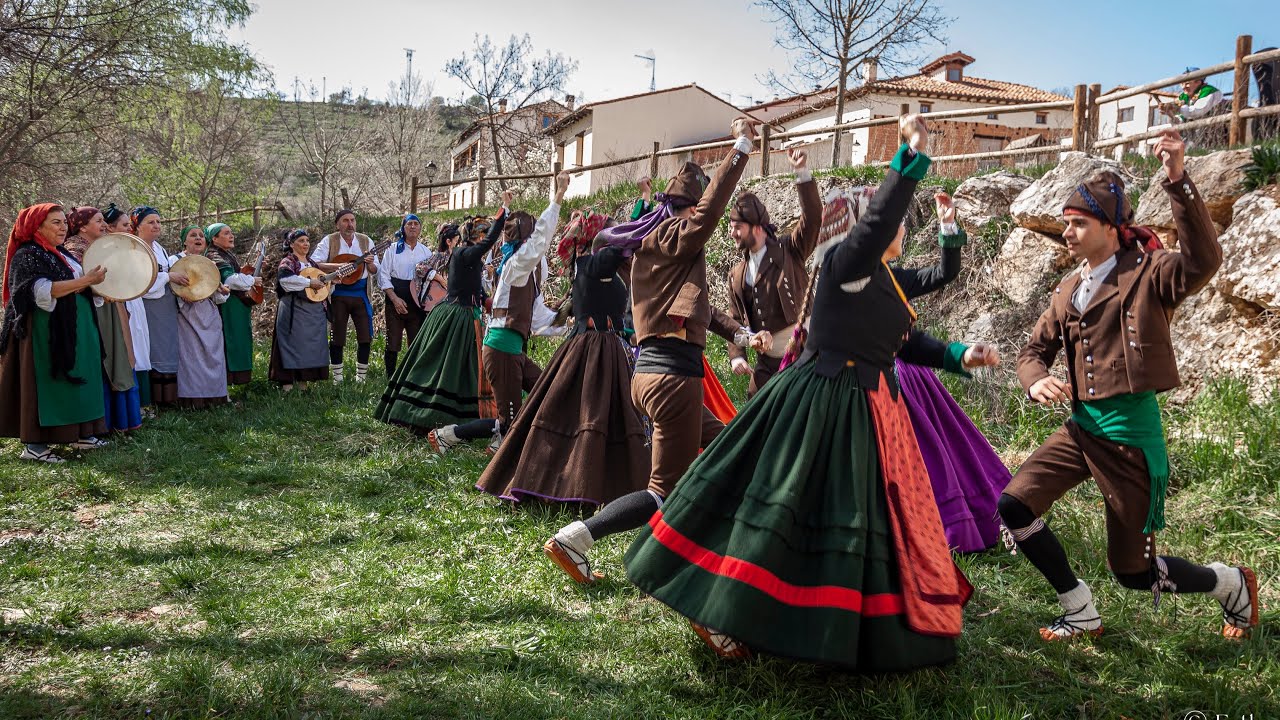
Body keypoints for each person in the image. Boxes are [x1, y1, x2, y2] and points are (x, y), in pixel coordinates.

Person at [623, 116, 995, 670]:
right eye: (887, 221)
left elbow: (907, 338)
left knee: (852, 519)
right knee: (786, 507)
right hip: (821, 401)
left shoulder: (891, 282)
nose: (896, 230)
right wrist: (907, 162)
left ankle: (835, 623)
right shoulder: (843, 264)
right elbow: (872, 227)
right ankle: (726, 606)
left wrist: (957, 354)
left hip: (871, 409)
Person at [999, 128, 1259, 641]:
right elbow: (1033, 351)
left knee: (1134, 574)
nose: (1067, 233)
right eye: (1066, 224)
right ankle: (1079, 608)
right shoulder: (1068, 288)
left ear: (1112, 227)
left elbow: (1205, 261)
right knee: (1013, 506)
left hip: (1130, 442)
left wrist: (1178, 181)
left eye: (1078, 224)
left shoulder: (1152, 273)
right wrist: (1035, 381)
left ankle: (1230, 584)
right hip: (1080, 431)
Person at [543, 118, 760, 584]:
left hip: (652, 376)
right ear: (689, 208)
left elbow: (694, 305)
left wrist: (740, 335)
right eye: (697, 209)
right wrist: (740, 146)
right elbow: (713, 206)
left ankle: (713, 543)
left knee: (726, 439)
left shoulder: (648, 251)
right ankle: (579, 537)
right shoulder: (676, 237)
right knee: (663, 490)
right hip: (674, 381)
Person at [883, 191, 1012, 553]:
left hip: (911, 377)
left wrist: (947, 225)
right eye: (898, 224)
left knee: (939, 452)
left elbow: (944, 273)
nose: (904, 228)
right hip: (871, 384)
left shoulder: (895, 278)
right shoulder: (851, 280)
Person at [427, 174, 569, 454]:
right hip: (501, 350)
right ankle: (448, 436)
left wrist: (566, 321)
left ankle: (495, 440)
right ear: (526, 241)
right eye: (533, 238)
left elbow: (538, 317)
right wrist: (558, 196)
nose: (540, 246)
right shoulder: (516, 266)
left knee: (545, 390)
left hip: (512, 350)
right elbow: (541, 240)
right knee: (510, 421)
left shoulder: (527, 274)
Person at [375, 197, 509, 431]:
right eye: (482, 235)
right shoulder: (464, 253)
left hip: (466, 312)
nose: (484, 239)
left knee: (463, 364)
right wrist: (503, 212)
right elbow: (489, 242)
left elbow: (475, 286)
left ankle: (470, 412)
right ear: (475, 237)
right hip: (456, 315)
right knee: (446, 364)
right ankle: (430, 414)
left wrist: (489, 304)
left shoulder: (467, 256)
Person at [0, 204, 110, 463]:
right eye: (55, 223)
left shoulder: (62, 254)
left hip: (76, 325)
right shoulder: (28, 255)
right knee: (48, 382)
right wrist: (86, 282)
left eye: (64, 222)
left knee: (83, 375)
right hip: (45, 333)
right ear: (36, 227)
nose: (63, 228)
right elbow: (41, 291)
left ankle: (81, 434)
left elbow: (80, 283)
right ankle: (35, 447)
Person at [725, 149, 821, 397]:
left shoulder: (790, 250)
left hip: (803, 355)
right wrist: (737, 356)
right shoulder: (737, 274)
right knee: (755, 419)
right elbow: (734, 319)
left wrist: (801, 172)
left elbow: (813, 219)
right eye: (730, 227)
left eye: (737, 227)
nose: (732, 233)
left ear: (756, 228)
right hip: (766, 364)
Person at [65, 207, 142, 433]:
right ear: (82, 226)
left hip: (109, 308)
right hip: (93, 312)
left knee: (118, 359)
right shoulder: (74, 250)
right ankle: (102, 423)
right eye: (98, 221)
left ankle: (121, 421)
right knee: (104, 362)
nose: (104, 225)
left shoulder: (101, 247)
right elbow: (82, 284)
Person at [311, 209, 378, 383]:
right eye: (345, 221)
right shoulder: (330, 240)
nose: (350, 224)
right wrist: (338, 266)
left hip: (361, 293)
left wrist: (370, 263)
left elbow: (375, 270)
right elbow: (314, 263)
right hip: (338, 293)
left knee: (365, 335)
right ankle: (337, 378)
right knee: (337, 335)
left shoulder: (365, 241)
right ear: (337, 224)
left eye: (353, 220)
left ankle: (361, 378)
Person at [136, 207, 189, 407]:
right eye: (151, 222)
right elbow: (140, 282)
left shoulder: (159, 247)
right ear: (138, 225)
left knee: (167, 348)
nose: (157, 225)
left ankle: (168, 398)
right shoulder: (137, 248)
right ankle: (153, 400)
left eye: (158, 221)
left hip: (165, 304)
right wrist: (168, 276)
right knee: (153, 349)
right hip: (149, 304)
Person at [103, 203, 152, 408]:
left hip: (135, 301)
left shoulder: (129, 247)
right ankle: (132, 406)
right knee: (130, 351)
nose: (128, 229)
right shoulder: (105, 251)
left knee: (140, 348)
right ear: (110, 228)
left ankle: (142, 403)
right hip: (120, 303)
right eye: (124, 225)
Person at [269, 229, 330, 391]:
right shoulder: (288, 262)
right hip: (293, 310)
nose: (306, 244)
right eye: (301, 241)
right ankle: (287, 384)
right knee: (290, 343)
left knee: (308, 346)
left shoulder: (312, 264)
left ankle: (303, 383)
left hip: (313, 313)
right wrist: (309, 283)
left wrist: (332, 283)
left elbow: (322, 289)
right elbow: (286, 281)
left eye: (307, 241)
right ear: (291, 244)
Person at [205, 223, 260, 387]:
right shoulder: (214, 255)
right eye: (226, 233)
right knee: (230, 340)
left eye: (231, 233)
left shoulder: (225, 254)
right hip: (228, 306)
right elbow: (229, 280)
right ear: (214, 238)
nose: (231, 236)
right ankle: (226, 383)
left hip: (236, 305)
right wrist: (252, 280)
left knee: (239, 340)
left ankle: (238, 383)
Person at [379, 213, 432, 376]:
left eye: (416, 223)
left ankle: (412, 376)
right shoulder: (392, 249)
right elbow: (383, 275)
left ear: (420, 228)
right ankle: (390, 376)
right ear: (403, 227)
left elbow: (430, 278)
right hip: (395, 297)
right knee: (393, 341)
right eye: (409, 224)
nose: (413, 226)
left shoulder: (426, 251)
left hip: (417, 301)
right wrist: (394, 299)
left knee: (416, 341)